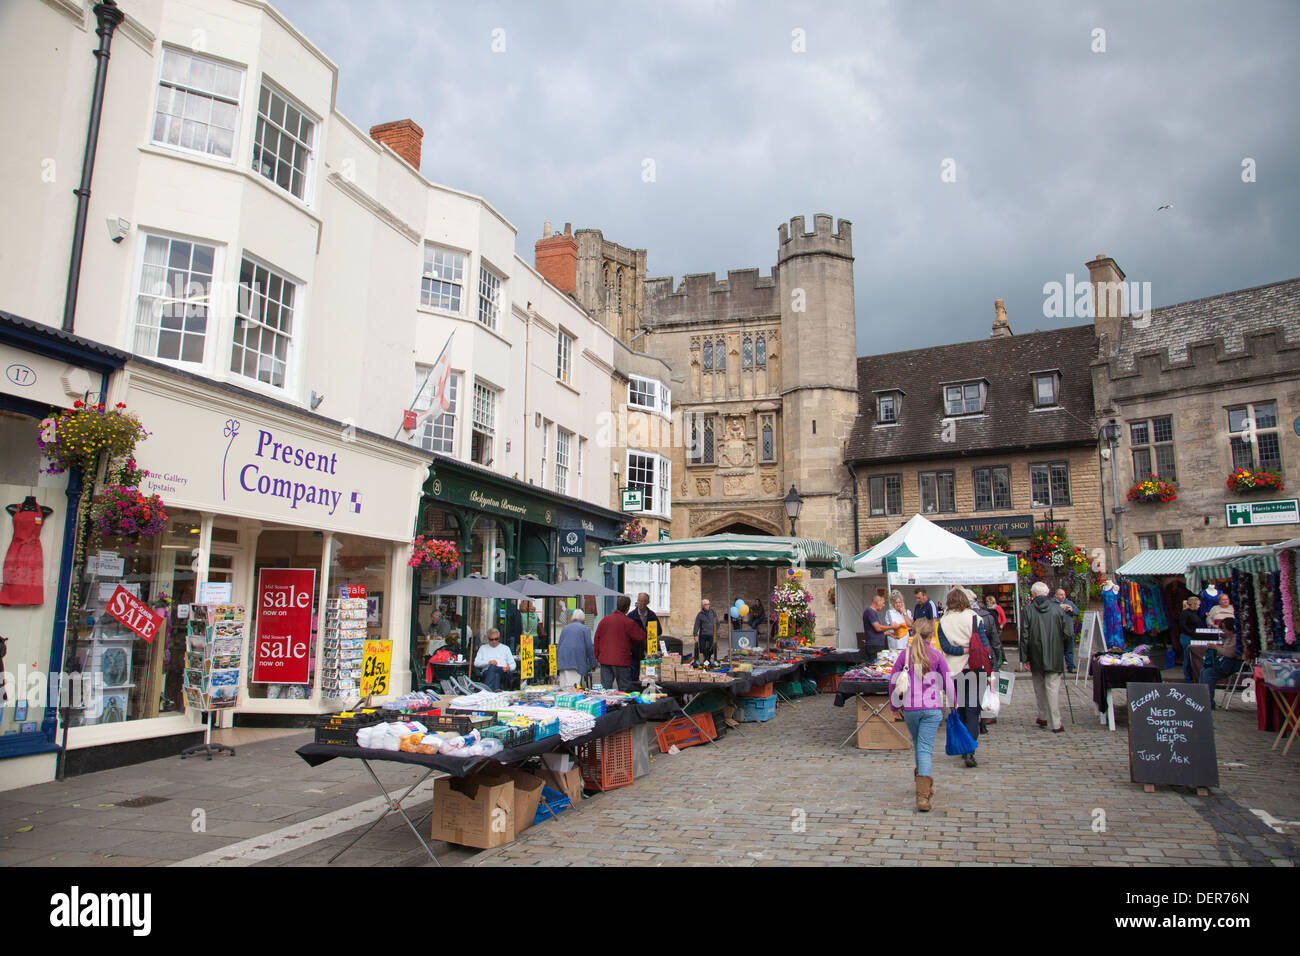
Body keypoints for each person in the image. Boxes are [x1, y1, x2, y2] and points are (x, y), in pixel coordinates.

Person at [889, 619, 957, 813]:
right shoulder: (936, 656)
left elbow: (893, 680)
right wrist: (954, 703)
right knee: (925, 747)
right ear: (932, 636)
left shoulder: (905, 655)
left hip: (911, 708)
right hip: (932, 707)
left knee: (920, 745)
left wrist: (895, 706)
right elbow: (947, 683)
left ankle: (922, 782)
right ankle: (923, 795)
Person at [935, 587, 990, 767]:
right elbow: (983, 644)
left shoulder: (944, 621)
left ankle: (964, 744)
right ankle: (970, 749)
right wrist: (969, 649)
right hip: (975, 668)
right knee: (973, 710)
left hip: (954, 670)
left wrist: (960, 649)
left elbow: (946, 648)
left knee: (960, 709)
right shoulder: (975, 618)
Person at [1022, 581, 1072, 732]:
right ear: (1048, 593)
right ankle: (1055, 722)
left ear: (1034, 594)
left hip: (1035, 654)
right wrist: (1062, 650)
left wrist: (1025, 657)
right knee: (1052, 688)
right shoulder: (1057, 610)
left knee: (1039, 687)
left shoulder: (1028, 610)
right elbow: (1068, 634)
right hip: (1054, 654)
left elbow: (1024, 635)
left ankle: (1043, 716)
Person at [597, 595, 646, 691]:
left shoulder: (604, 620)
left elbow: (597, 639)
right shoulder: (628, 622)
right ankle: (623, 706)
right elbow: (641, 637)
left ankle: (607, 706)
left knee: (605, 690)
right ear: (627, 608)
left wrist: (598, 656)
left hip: (605, 659)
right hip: (622, 660)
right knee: (624, 690)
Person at [1200, 617, 1243, 709]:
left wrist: (1216, 648)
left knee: (1208, 673)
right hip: (1227, 662)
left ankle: (1208, 702)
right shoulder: (1229, 637)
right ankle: (1203, 699)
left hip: (1233, 664)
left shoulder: (1236, 638)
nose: (1223, 631)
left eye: (1224, 628)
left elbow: (1230, 653)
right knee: (1204, 671)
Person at [555, 609, 595, 690]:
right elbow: (589, 648)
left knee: (563, 687)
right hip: (576, 661)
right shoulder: (585, 629)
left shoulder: (565, 628)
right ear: (583, 619)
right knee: (573, 688)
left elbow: (559, 646)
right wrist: (593, 664)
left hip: (563, 660)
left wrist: (557, 663)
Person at [626, 592, 658, 668]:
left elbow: (659, 630)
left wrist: (651, 630)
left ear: (647, 602)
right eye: (639, 600)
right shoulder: (631, 615)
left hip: (649, 650)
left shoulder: (652, 615)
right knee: (634, 675)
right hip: (635, 651)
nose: (640, 603)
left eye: (643, 601)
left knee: (649, 675)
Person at [1053, 588, 1079, 673]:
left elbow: (1077, 612)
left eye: (1064, 594)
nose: (1063, 596)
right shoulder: (1052, 603)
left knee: (1069, 650)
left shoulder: (1069, 603)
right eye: (1061, 594)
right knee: (1057, 650)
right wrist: (1059, 607)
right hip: (1057, 631)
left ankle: (1071, 667)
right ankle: (1057, 667)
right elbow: (1049, 613)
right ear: (1056, 595)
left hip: (1069, 631)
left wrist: (1072, 610)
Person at [1178, 595, 1202, 682]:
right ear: (1193, 605)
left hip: (1193, 637)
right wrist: (1192, 633)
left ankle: (1192, 676)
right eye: (1198, 605)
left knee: (1192, 658)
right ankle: (1187, 678)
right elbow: (1182, 625)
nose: (1199, 607)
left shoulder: (1194, 613)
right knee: (1187, 657)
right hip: (1187, 637)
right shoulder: (1185, 613)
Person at [862, 591, 889, 662]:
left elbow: (877, 631)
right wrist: (892, 626)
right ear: (877, 601)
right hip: (874, 646)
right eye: (883, 603)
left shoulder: (873, 612)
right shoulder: (870, 611)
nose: (883, 605)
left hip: (877, 645)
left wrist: (890, 633)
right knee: (875, 665)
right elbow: (878, 628)